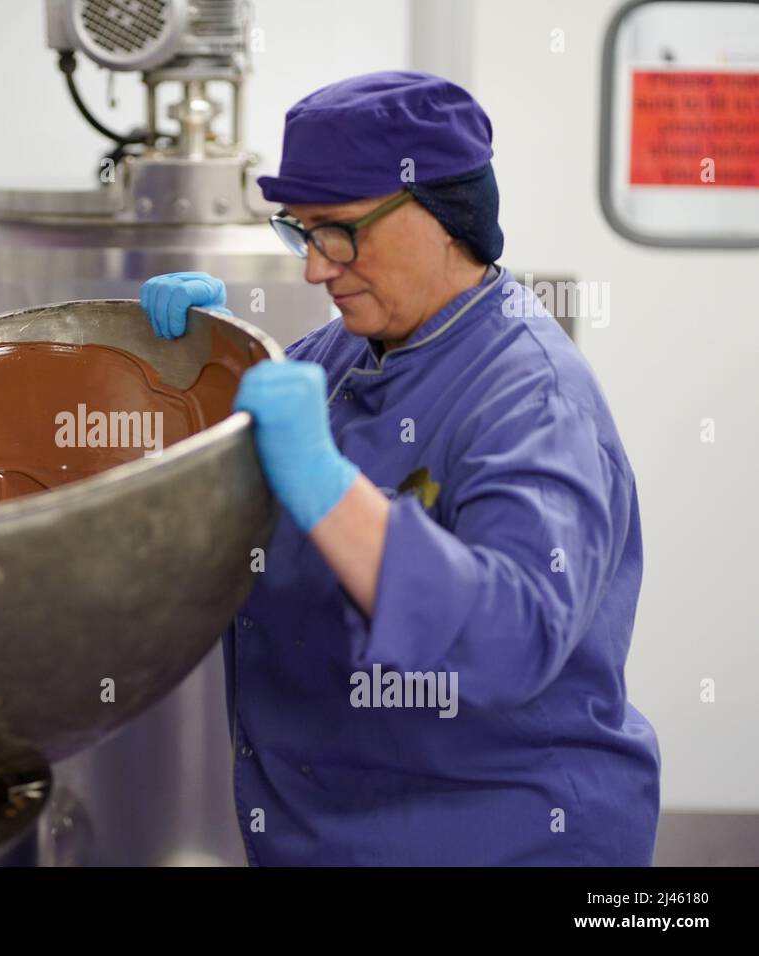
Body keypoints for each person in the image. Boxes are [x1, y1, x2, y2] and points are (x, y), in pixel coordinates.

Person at [140, 71, 660, 865]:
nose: (316, 268)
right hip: (329, 831)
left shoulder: (532, 400)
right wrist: (207, 356)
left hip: (500, 839)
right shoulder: (353, 350)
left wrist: (324, 483)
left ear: (444, 214)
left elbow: (512, 639)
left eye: (338, 231)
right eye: (301, 231)